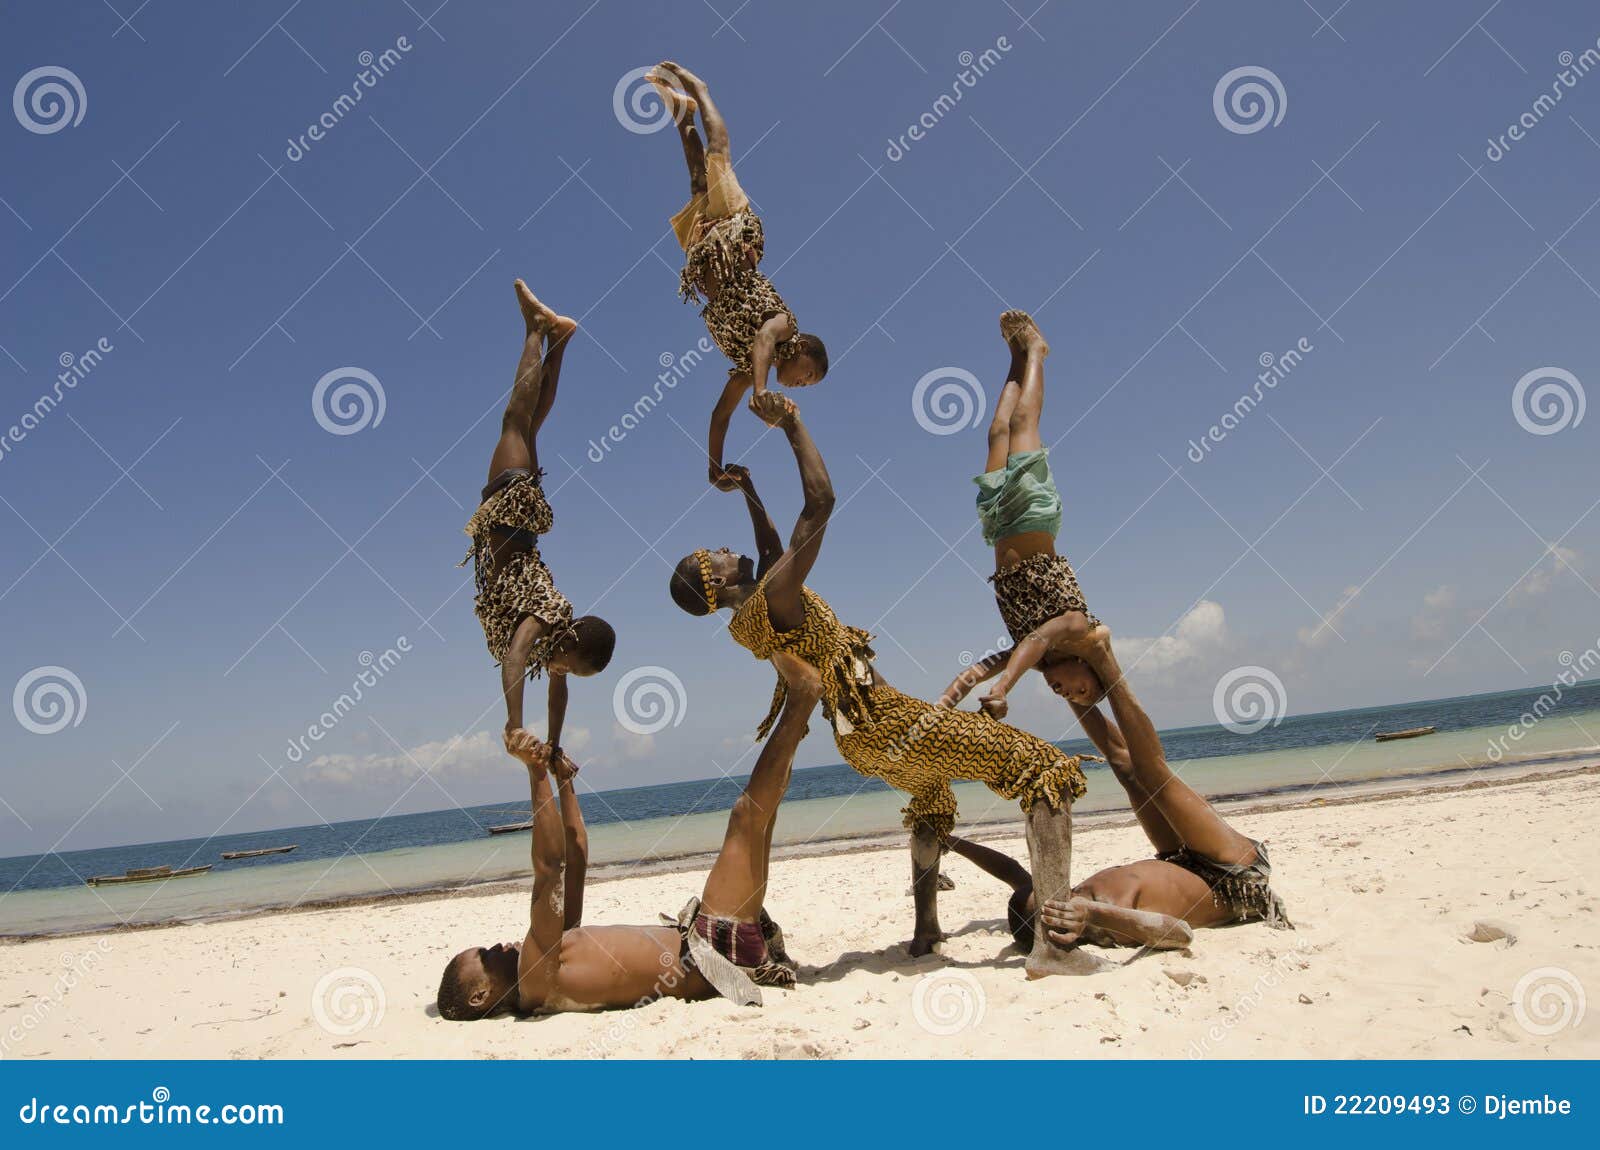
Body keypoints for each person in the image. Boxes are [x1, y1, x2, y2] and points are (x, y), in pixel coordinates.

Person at [668, 393, 1096, 976]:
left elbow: (773, 551)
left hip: (863, 740)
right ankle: (1052, 946)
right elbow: (820, 504)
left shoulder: (755, 614)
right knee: (1044, 767)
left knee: (932, 798)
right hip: (888, 721)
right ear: (712, 585)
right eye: (709, 556)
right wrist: (793, 424)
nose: (720, 550)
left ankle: (925, 932)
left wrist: (750, 493)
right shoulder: (773, 601)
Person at [435, 653, 821, 1019]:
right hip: (714, 953)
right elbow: (549, 869)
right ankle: (803, 694)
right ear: (480, 996)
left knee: (760, 816)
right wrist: (535, 774)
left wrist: (564, 783)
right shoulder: (536, 980)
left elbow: (577, 856)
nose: (498, 946)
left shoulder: (550, 949)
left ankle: (799, 704)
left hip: (704, 940)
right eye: (485, 956)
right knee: (747, 817)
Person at [943, 620, 1291, 954]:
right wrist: (1093, 914)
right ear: (1059, 925)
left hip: (1180, 860)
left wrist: (950, 839)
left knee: (1125, 768)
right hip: (1233, 877)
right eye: (1055, 901)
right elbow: (1179, 934)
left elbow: (1012, 872)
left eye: (1051, 891)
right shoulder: (1111, 922)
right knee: (1151, 773)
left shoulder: (1059, 893)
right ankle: (1103, 657)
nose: (1058, 893)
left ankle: (1070, 680)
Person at [646, 61, 829, 491]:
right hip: (731, 233)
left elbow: (720, 415)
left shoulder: (750, 370)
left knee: (695, 178)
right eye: (808, 375)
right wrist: (761, 392)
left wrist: (715, 465)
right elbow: (764, 338)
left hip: (703, 251)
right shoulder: (784, 328)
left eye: (804, 385)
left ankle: (682, 114)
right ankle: (702, 90)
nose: (800, 383)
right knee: (717, 156)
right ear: (803, 348)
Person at [461, 281, 616, 766]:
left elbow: (558, 693)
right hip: (509, 507)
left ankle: (561, 338)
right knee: (514, 420)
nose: (559, 672)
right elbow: (513, 657)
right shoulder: (545, 618)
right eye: (569, 667)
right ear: (570, 645)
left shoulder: (556, 631)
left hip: (518, 517)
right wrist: (512, 724)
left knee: (528, 426)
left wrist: (553, 743)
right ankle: (535, 330)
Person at [940, 310, 1102, 722]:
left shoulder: (1036, 655)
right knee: (1024, 422)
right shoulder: (1079, 626)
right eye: (1082, 688)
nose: (1067, 689)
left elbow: (1006, 655)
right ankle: (1037, 352)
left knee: (998, 430)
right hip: (1031, 514)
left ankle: (1016, 355)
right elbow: (1037, 634)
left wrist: (963, 684)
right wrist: (1001, 687)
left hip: (999, 524)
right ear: (1089, 666)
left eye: (1066, 695)